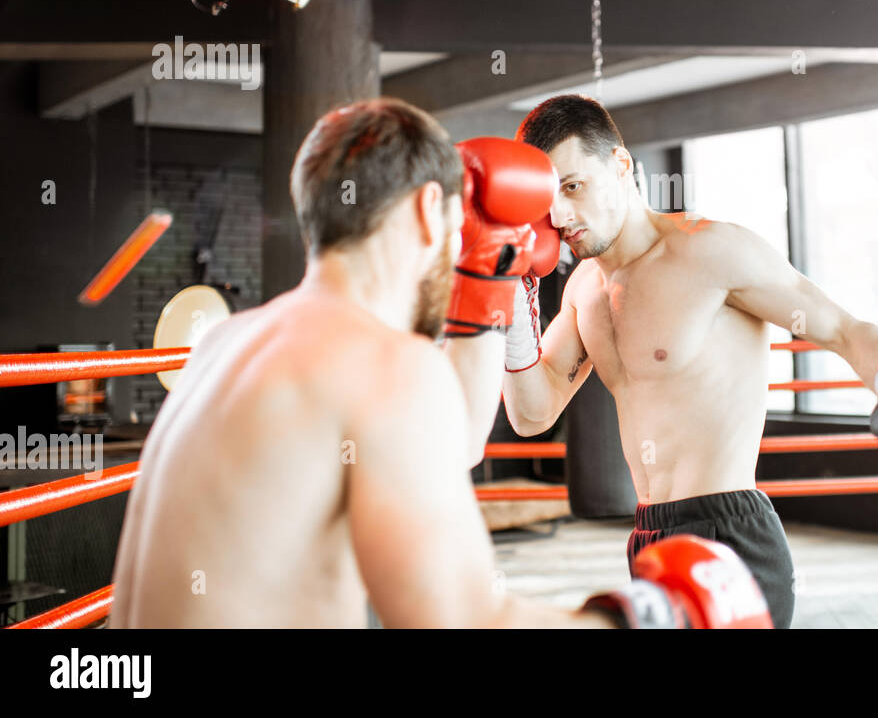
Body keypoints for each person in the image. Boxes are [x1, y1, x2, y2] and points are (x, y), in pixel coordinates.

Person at [109, 97, 769, 628]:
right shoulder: (386, 365)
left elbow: (454, 440)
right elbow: (461, 614)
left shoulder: (227, 344)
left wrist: (491, 286)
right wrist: (658, 615)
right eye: (461, 221)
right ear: (431, 210)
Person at [502, 95, 878, 629]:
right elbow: (532, 414)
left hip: (730, 532)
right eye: (549, 199)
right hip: (649, 539)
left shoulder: (710, 251)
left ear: (621, 166)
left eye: (574, 187)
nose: (560, 215)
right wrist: (505, 296)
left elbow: (844, 329)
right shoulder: (583, 291)